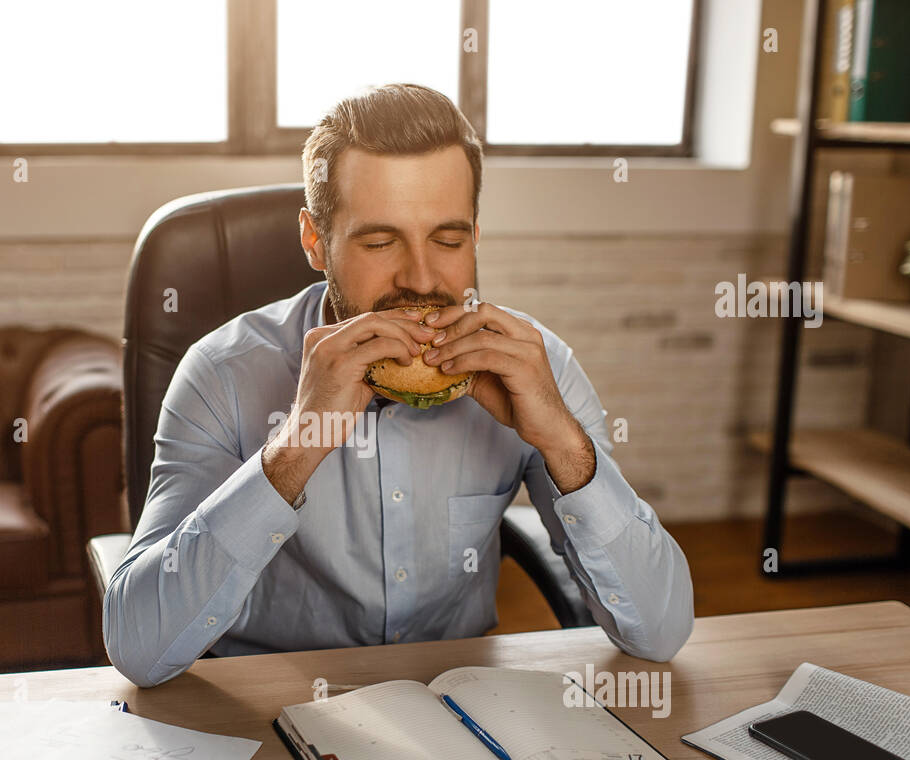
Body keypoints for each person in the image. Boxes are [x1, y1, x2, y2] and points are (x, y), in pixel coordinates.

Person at [104, 83, 693, 688]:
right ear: (315, 241)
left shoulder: (536, 369)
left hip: (460, 715)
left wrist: (565, 447)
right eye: (380, 242)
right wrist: (298, 446)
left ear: (476, 236)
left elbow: (661, 630)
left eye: (448, 239)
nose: (420, 277)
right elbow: (139, 649)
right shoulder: (221, 374)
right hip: (267, 709)